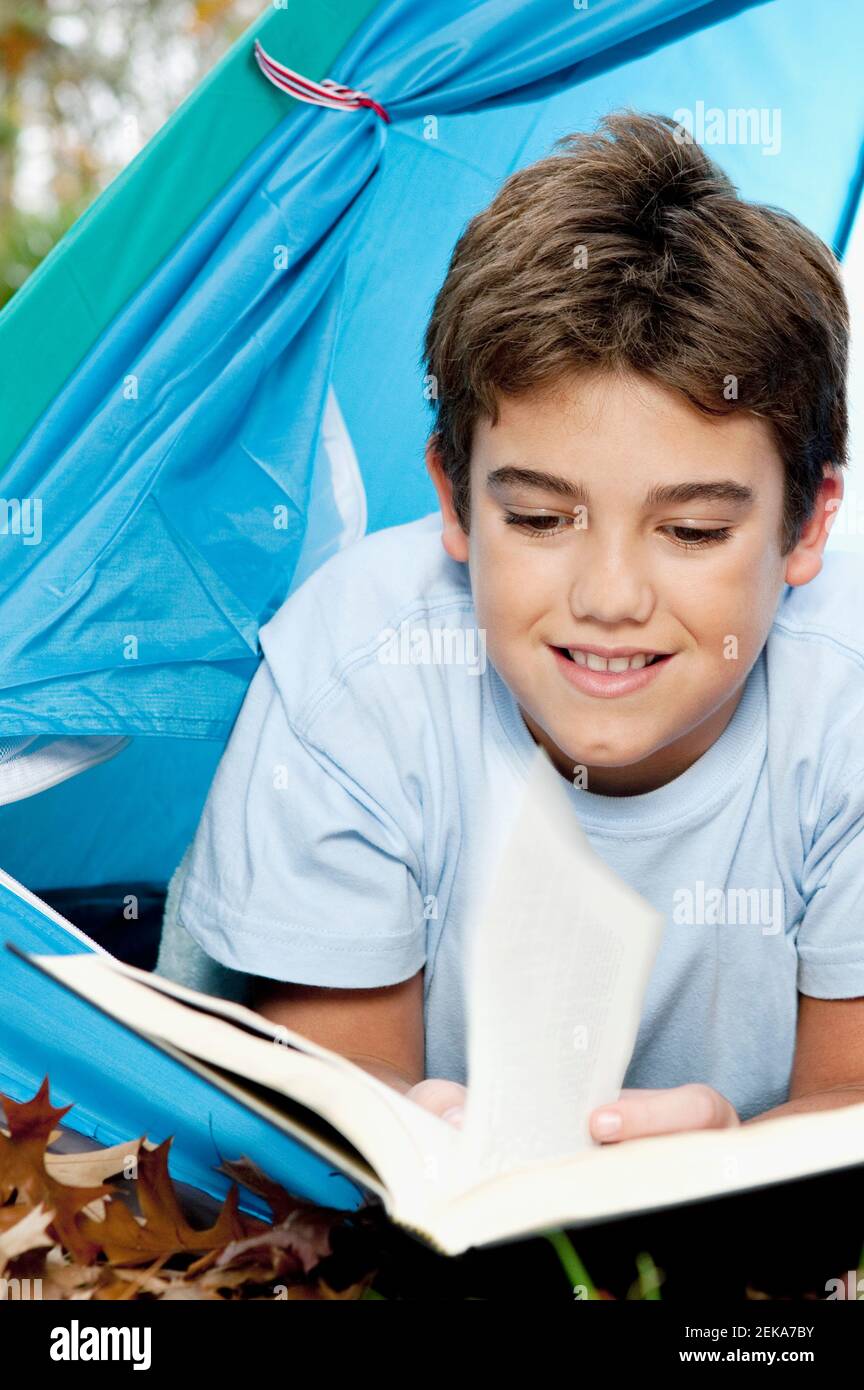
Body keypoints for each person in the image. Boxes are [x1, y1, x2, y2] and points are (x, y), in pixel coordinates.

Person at [156, 112, 864, 1144]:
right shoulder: (357, 671)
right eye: (538, 518)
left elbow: (847, 1118)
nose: (610, 595)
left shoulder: (846, 707)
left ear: (806, 527)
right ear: (453, 502)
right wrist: (404, 1125)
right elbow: (336, 1132)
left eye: (693, 528)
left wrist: (736, 1163)